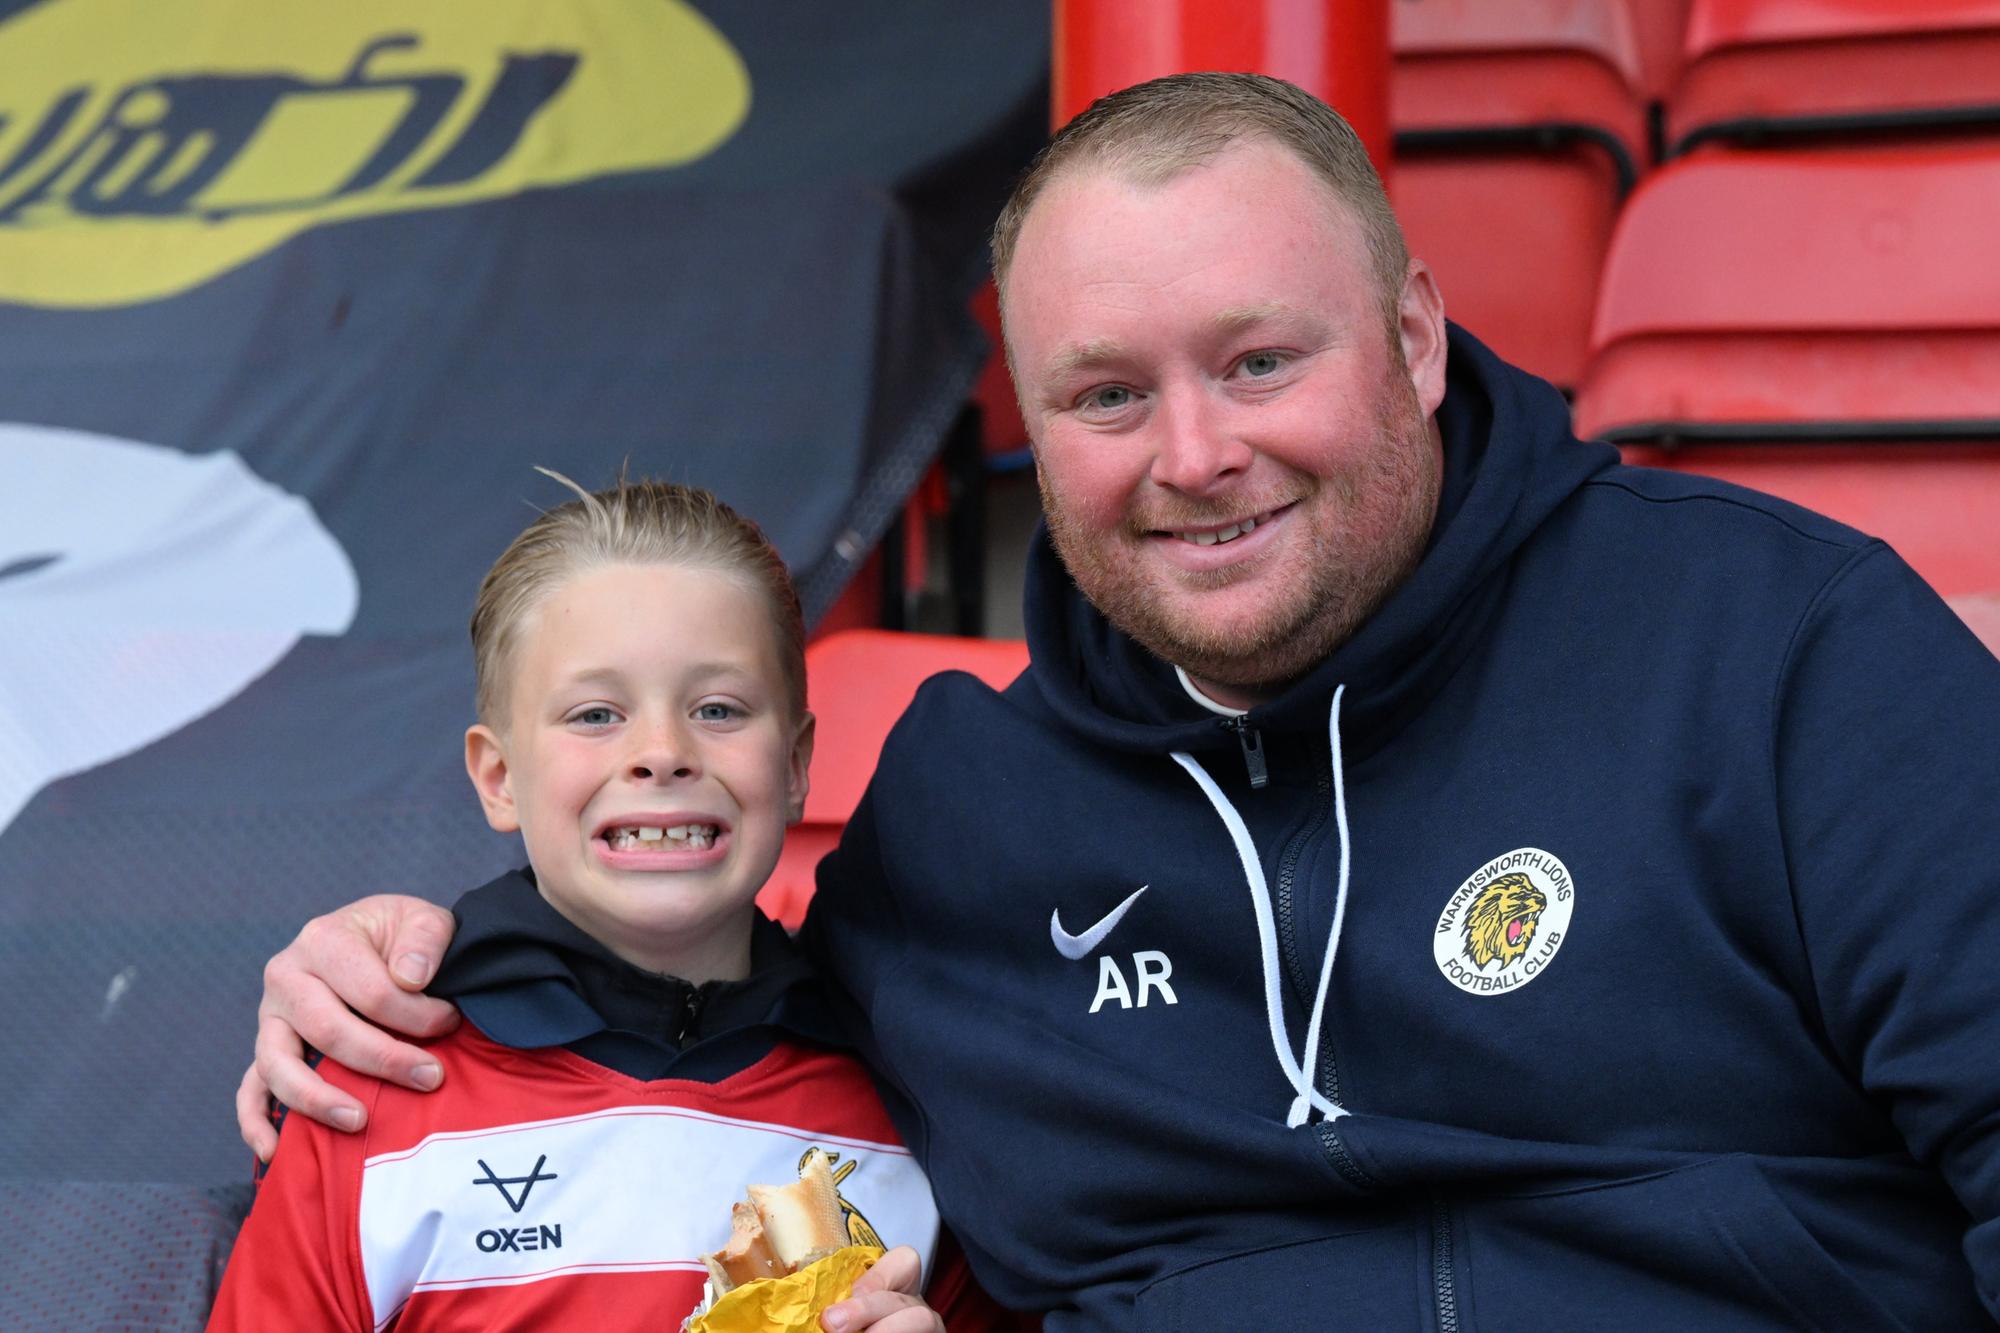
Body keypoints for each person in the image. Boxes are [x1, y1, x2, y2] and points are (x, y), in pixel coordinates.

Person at [242, 74, 2000, 1330]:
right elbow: (702, 1004)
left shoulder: (1774, 637)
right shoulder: (958, 821)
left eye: (1257, 360)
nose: (1193, 457)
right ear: (1024, 427)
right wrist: (433, 956)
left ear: (1413, 338)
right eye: (1104, 394)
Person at [211, 474, 1009, 1332]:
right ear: (500, 776)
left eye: (717, 707)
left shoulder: (916, 1099)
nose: (662, 752)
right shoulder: (375, 1097)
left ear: (796, 763)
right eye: (596, 713)